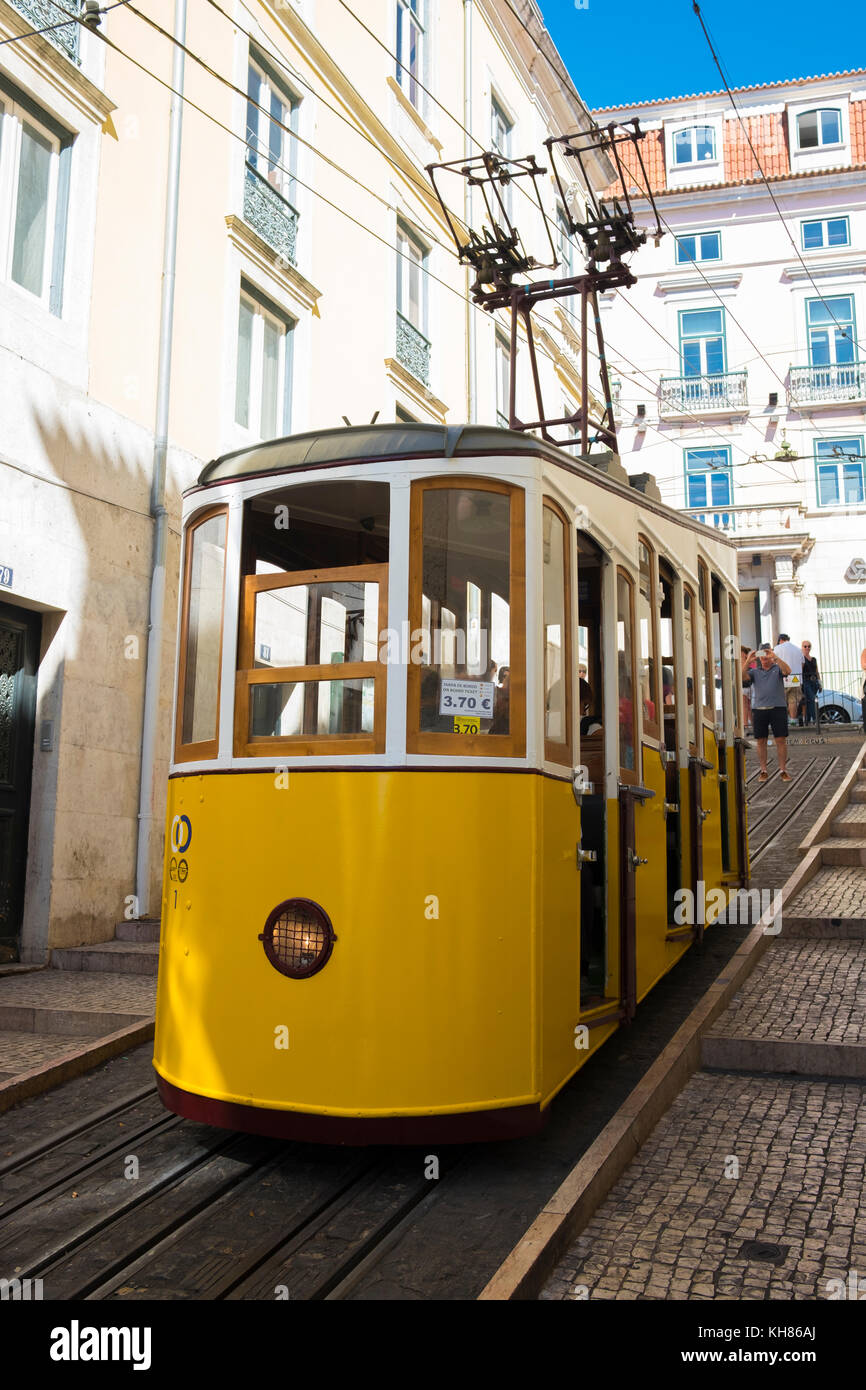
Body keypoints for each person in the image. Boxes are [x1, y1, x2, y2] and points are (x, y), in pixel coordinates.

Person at [742, 645, 792, 782]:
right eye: (762, 654)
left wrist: (775, 657)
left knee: (780, 740)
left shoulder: (777, 668)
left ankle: (783, 770)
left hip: (778, 708)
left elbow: (788, 670)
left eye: (766, 653)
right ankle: (763, 770)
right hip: (759, 709)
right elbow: (741, 678)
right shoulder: (754, 672)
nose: (764, 657)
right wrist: (748, 660)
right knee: (761, 741)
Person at [774, 633, 803, 720]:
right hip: (795, 678)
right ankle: (793, 720)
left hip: (781, 678)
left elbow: (773, 662)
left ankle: (782, 720)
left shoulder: (777, 648)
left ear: (780, 640)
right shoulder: (798, 649)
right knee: (793, 700)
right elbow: (802, 664)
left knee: (780, 700)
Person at [800, 641, 821, 727]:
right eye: (805, 646)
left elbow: (817, 671)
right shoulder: (802, 659)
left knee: (809, 701)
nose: (807, 648)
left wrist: (820, 682)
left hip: (814, 682)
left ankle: (807, 721)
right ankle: (816, 719)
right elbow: (800, 671)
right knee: (812, 700)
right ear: (802, 647)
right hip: (806, 681)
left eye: (809, 646)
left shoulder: (814, 659)